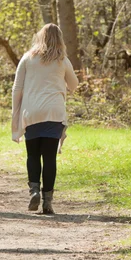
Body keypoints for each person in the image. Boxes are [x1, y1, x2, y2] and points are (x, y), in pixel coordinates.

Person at [12, 23, 79, 214]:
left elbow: (17, 88)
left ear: (39, 37)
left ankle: (34, 191)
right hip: (54, 112)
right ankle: (47, 201)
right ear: (60, 40)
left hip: (31, 112)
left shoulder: (27, 58)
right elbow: (74, 85)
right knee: (49, 158)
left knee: (33, 155)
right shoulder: (62, 60)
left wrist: (15, 114)